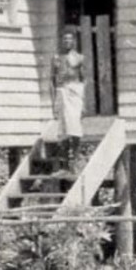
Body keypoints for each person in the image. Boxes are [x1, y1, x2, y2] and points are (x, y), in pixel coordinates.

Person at [51, 29, 86, 167]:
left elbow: (84, 79)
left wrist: (84, 102)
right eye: (64, 39)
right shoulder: (56, 58)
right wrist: (53, 102)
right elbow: (51, 81)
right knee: (64, 127)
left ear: (74, 41)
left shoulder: (79, 58)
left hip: (75, 90)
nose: (67, 42)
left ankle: (76, 158)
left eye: (69, 39)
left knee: (75, 125)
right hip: (62, 90)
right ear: (61, 41)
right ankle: (65, 162)